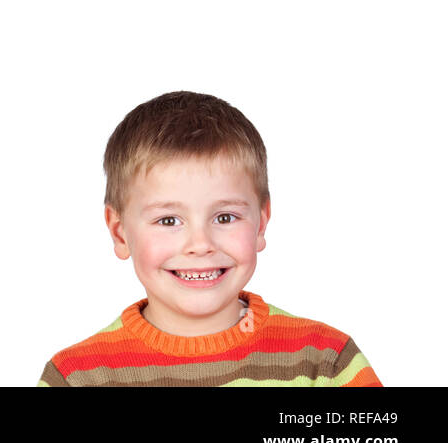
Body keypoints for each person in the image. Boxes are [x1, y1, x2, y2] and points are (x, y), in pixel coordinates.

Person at [39, 91, 380, 387]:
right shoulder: (76, 377)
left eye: (225, 217)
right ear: (119, 232)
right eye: (168, 220)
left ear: (260, 224)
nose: (200, 244)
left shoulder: (325, 363)